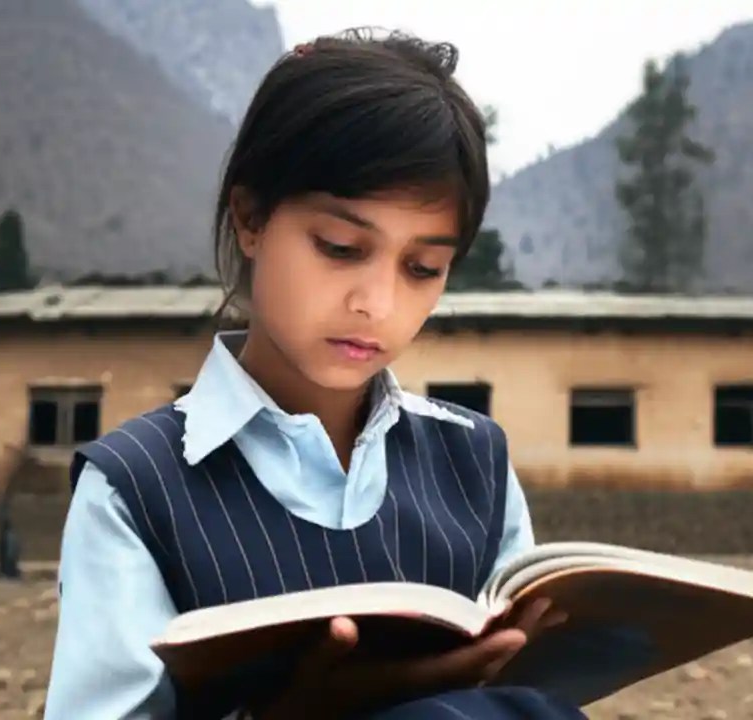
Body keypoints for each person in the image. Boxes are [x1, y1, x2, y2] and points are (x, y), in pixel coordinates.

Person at [44, 28, 582, 720]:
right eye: (340, 247)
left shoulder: (475, 464)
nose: (377, 304)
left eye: (423, 268)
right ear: (251, 219)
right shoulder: (135, 488)